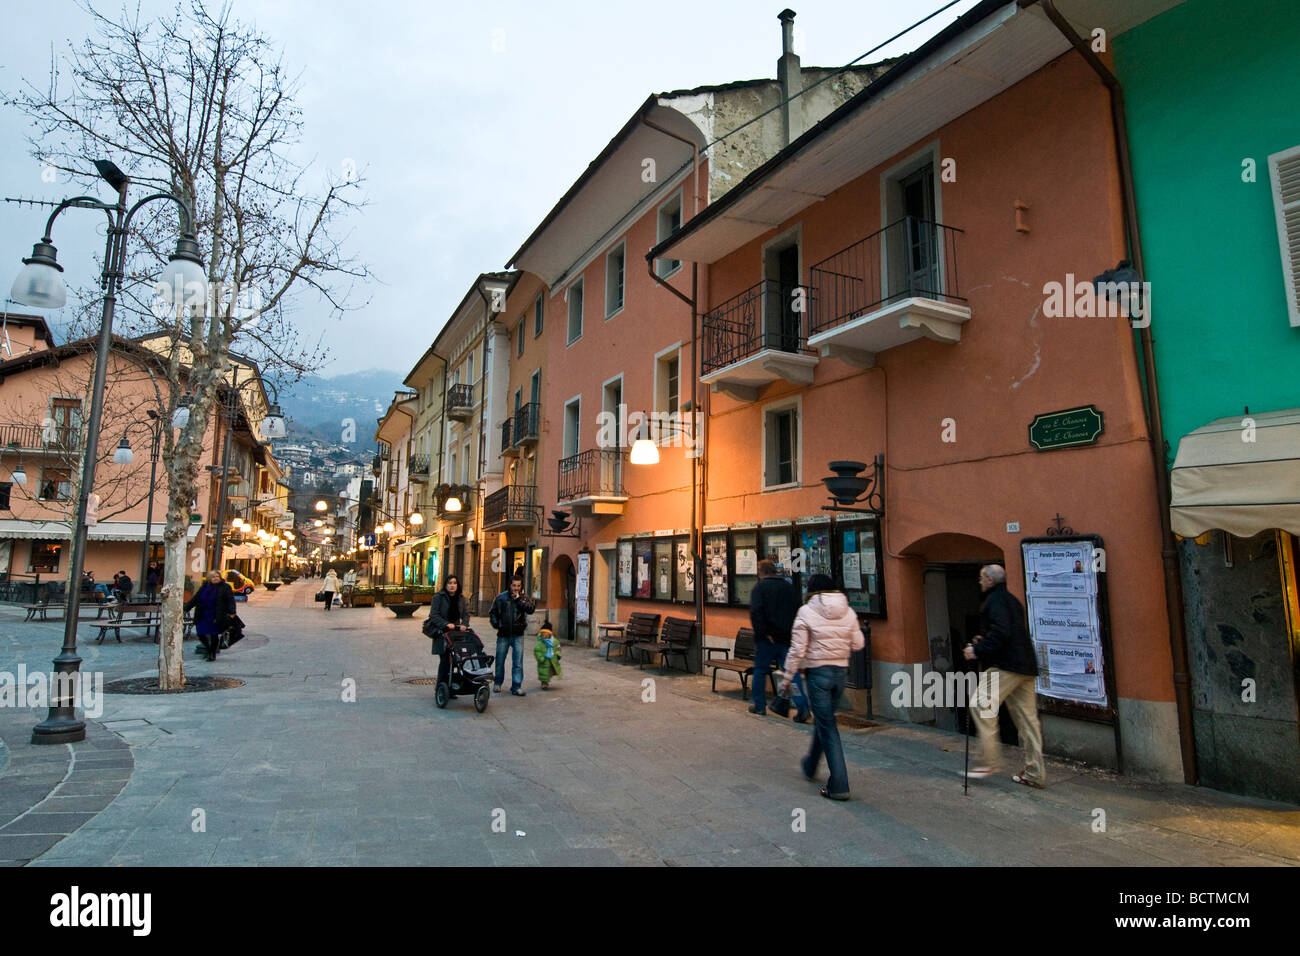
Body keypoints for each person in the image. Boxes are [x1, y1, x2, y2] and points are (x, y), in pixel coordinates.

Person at [779, 573, 865, 801]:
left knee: (828, 726)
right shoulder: (848, 611)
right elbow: (858, 643)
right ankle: (810, 764)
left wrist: (787, 676)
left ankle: (839, 784)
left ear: (812, 590)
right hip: (839, 674)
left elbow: (797, 649)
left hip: (818, 674)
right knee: (824, 721)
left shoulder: (806, 611)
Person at [963, 564, 1046, 788]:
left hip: (1005, 666)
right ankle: (1035, 772)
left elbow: (1001, 632)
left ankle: (990, 761)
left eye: (981, 578)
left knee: (981, 705)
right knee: (1028, 722)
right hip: (1025, 666)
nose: (979, 582)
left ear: (990, 580)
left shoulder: (994, 601)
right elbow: (1006, 630)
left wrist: (976, 649)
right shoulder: (1011, 600)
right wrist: (985, 639)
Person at [748, 559, 809, 721]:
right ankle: (802, 706)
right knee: (791, 671)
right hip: (786, 637)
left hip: (766, 639)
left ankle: (760, 706)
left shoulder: (759, 588)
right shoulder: (788, 587)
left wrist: (764, 632)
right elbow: (798, 610)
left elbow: (756, 612)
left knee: (760, 671)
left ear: (761, 572)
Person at [489, 574, 535, 696]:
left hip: (518, 634)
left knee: (518, 662)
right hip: (503, 634)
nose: (516, 588)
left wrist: (519, 599)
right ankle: (497, 683)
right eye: (514, 585)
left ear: (521, 586)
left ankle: (516, 686)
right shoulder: (501, 598)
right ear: (510, 585)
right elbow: (493, 613)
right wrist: (497, 624)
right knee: (500, 660)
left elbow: (531, 609)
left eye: (518, 586)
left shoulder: (524, 598)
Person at [428, 575, 472, 691]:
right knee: (445, 661)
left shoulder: (461, 598)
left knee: (456, 660)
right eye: (450, 583)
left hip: (455, 634)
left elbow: (466, 614)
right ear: (445, 585)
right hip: (442, 633)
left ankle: (452, 687)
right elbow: (434, 615)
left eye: (454, 583)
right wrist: (446, 624)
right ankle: (441, 688)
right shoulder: (439, 597)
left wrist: (464, 625)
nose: (452, 585)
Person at [185, 570, 236, 662]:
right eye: (213, 577)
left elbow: (230, 600)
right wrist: (186, 608)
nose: (216, 578)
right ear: (209, 579)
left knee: (213, 635)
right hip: (203, 614)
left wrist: (232, 612)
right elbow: (196, 598)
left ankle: (212, 653)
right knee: (200, 633)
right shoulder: (205, 586)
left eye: (217, 576)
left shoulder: (225, 587)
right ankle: (209, 649)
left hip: (216, 614)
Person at [533, 618, 562, 690]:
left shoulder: (555, 642)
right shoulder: (539, 643)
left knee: (550, 672)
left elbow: (558, 648)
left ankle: (546, 681)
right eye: (542, 633)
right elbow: (537, 651)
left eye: (545, 633)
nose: (543, 634)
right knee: (543, 672)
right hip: (544, 660)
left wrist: (558, 654)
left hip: (552, 660)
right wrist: (541, 658)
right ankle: (544, 683)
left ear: (549, 633)